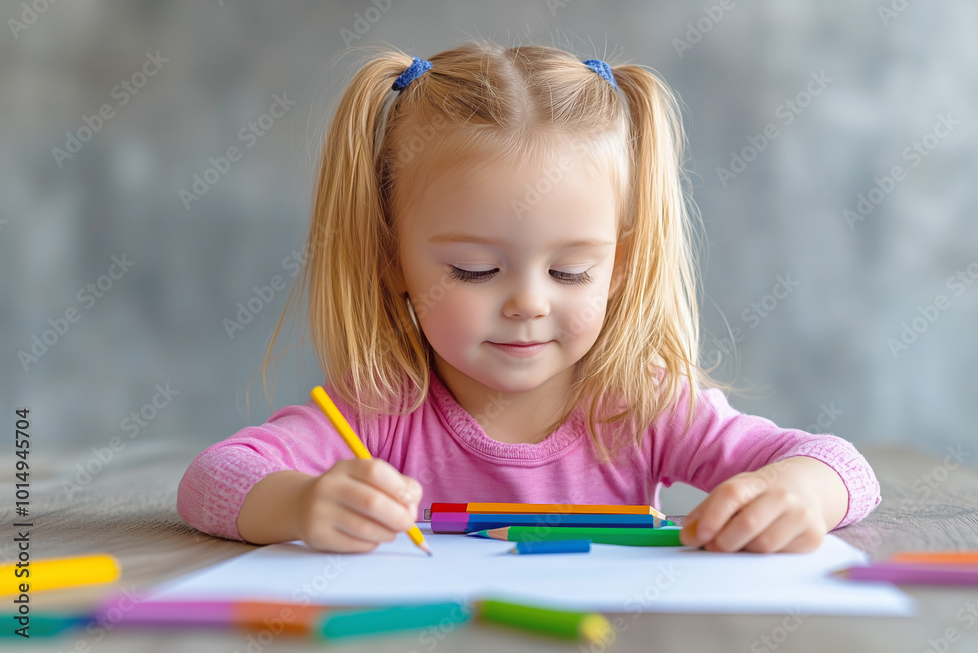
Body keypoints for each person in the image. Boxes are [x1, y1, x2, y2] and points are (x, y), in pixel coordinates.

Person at [177, 40, 880, 555]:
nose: (527, 304)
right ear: (392, 259)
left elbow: (844, 466)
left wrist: (799, 492)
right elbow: (213, 478)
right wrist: (300, 503)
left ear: (622, 266)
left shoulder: (640, 402)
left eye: (571, 272)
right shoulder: (381, 410)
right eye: (476, 269)